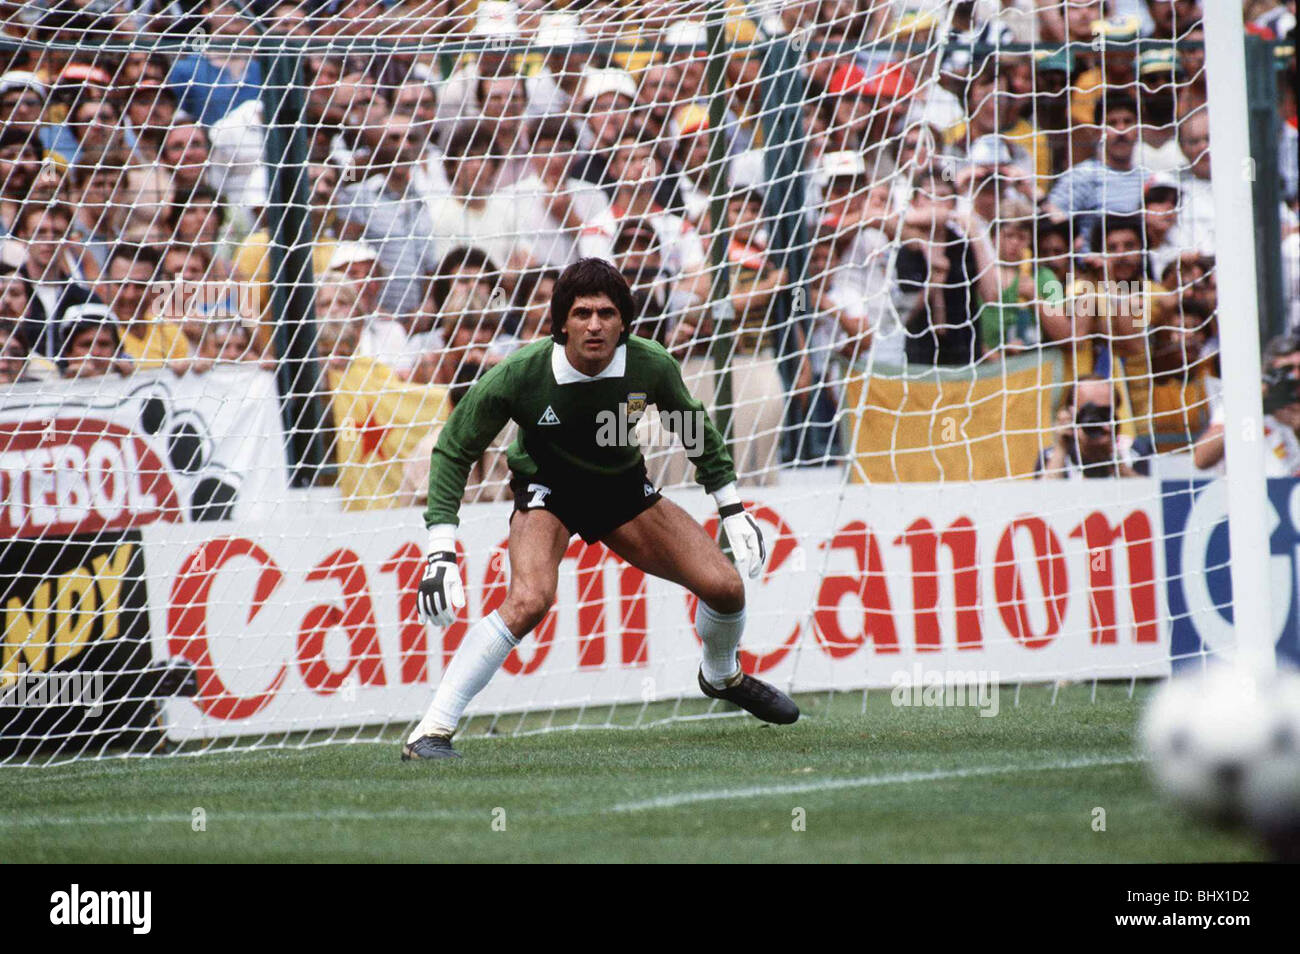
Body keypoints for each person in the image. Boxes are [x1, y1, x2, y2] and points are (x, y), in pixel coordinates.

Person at [403, 258, 796, 761]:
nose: (594, 325)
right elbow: (454, 448)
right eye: (582, 312)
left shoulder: (649, 363)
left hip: (621, 489)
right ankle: (430, 732)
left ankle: (722, 676)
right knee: (528, 601)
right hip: (547, 490)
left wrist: (733, 508)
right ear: (561, 321)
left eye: (607, 313)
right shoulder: (522, 373)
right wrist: (440, 551)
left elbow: (694, 430)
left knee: (725, 587)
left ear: (625, 321)